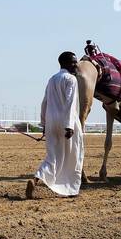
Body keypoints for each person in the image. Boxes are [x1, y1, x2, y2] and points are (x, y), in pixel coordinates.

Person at [27, 52, 84, 198]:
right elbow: (71, 103)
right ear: (64, 63)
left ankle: (35, 179)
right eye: (73, 62)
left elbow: (45, 102)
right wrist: (69, 125)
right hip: (67, 121)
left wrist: (44, 124)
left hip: (51, 121)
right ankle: (71, 189)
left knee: (52, 156)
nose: (75, 65)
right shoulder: (71, 79)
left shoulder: (52, 79)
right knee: (74, 155)